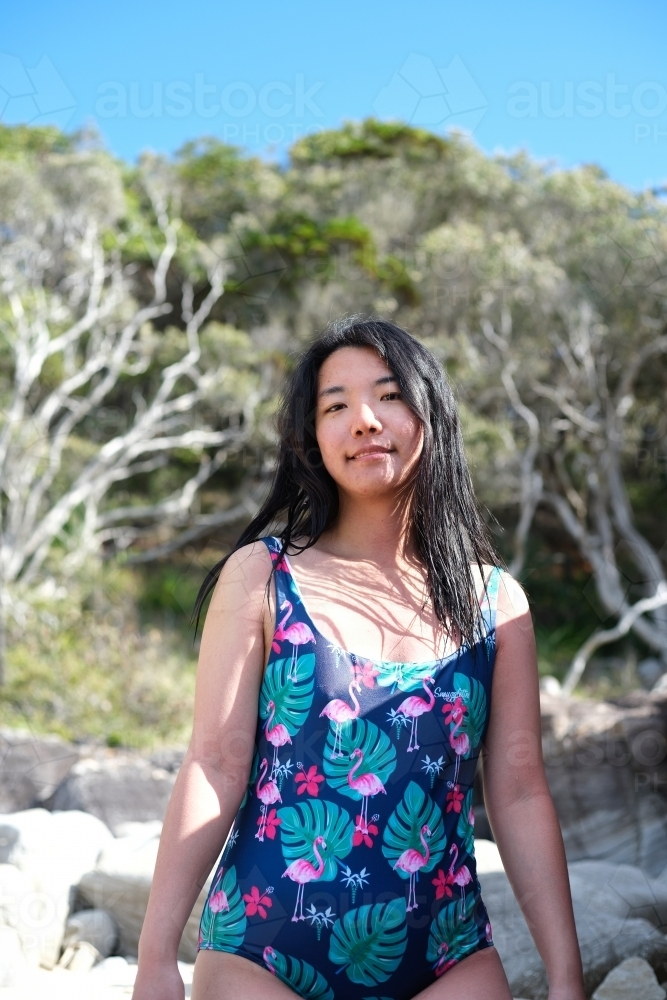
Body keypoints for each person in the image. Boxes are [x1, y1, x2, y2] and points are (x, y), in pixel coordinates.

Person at [132, 317, 586, 1000]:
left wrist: (565, 979)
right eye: (335, 406)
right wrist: (155, 954)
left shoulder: (496, 603)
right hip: (264, 952)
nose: (364, 421)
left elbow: (519, 789)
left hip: (444, 956)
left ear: (430, 414)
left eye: (389, 395)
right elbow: (214, 761)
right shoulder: (262, 576)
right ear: (311, 439)